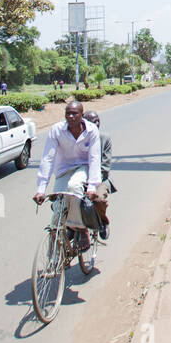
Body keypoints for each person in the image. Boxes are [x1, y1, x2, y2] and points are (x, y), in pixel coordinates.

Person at [33, 99, 102, 244]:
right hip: (63, 169)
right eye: (68, 114)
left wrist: (92, 187)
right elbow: (48, 158)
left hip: (83, 167)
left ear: (81, 115)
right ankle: (54, 255)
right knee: (58, 206)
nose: (71, 117)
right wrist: (41, 189)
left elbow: (95, 159)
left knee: (74, 186)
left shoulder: (91, 131)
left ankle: (81, 229)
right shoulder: (56, 130)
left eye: (74, 114)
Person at [83, 109, 113, 241]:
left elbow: (105, 166)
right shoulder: (79, 139)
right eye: (90, 122)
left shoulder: (104, 138)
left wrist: (92, 181)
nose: (94, 124)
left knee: (99, 199)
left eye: (96, 121)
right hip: (81, 178)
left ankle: (103, 221)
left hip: (99, 179)